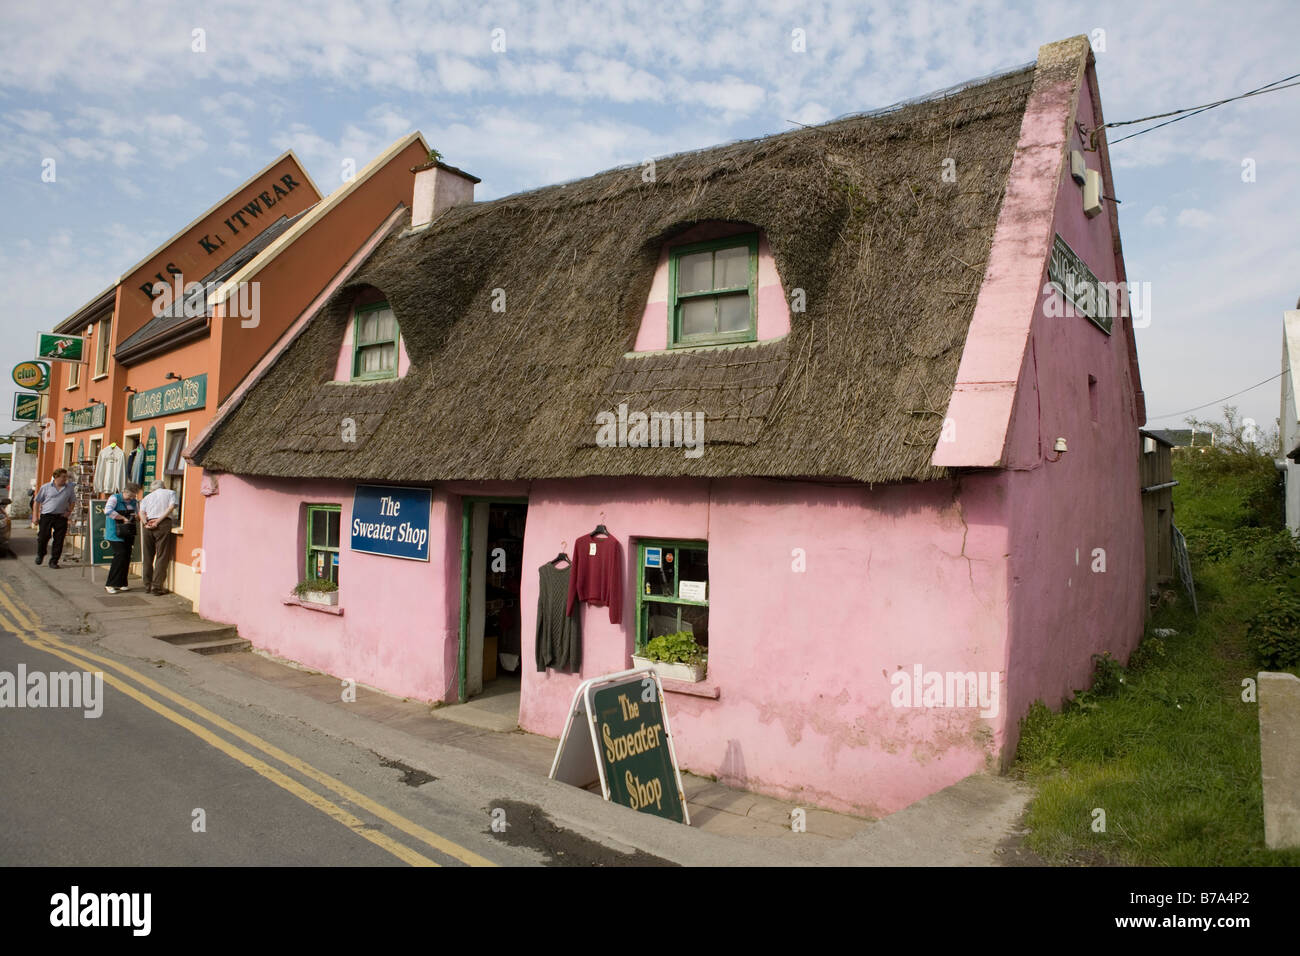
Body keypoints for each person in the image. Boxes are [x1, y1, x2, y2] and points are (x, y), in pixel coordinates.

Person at [138, 480, 178, 595]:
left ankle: (147, 585)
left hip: (147, 525)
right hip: (163, 524)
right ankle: (156, 587)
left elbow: (141, 513)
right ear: (164, 486)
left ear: (152, 489)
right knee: (162, 555)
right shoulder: (170, 493)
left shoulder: (146, 497)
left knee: (148, 556)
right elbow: (170, 508)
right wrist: (158, 521)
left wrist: (146, 523)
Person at [34, 468, 77, 569]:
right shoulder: (46, 487)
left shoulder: (69, 488)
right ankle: (41, 553)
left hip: (61, 516)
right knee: (43, 537)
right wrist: (35, 516)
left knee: (59, 539)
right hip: (47, 515)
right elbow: (37, 501)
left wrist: (68, 512)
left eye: (66, 477)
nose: (65, 479)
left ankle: (54, 561)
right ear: (56, 477)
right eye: (63, 477)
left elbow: (73, 501)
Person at [103, 482, 141, 594]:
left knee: (126, 556)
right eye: (130, 496)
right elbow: (108, 511)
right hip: (115, 532)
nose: (132, 498)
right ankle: (110, 583)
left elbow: (137, 513)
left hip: (128, 532)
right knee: (120, 555)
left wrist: (137, 517)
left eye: (134, 496)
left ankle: (122, 583)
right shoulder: (114, 498)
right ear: (125, 492)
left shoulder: (133, 502)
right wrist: (123, 518)